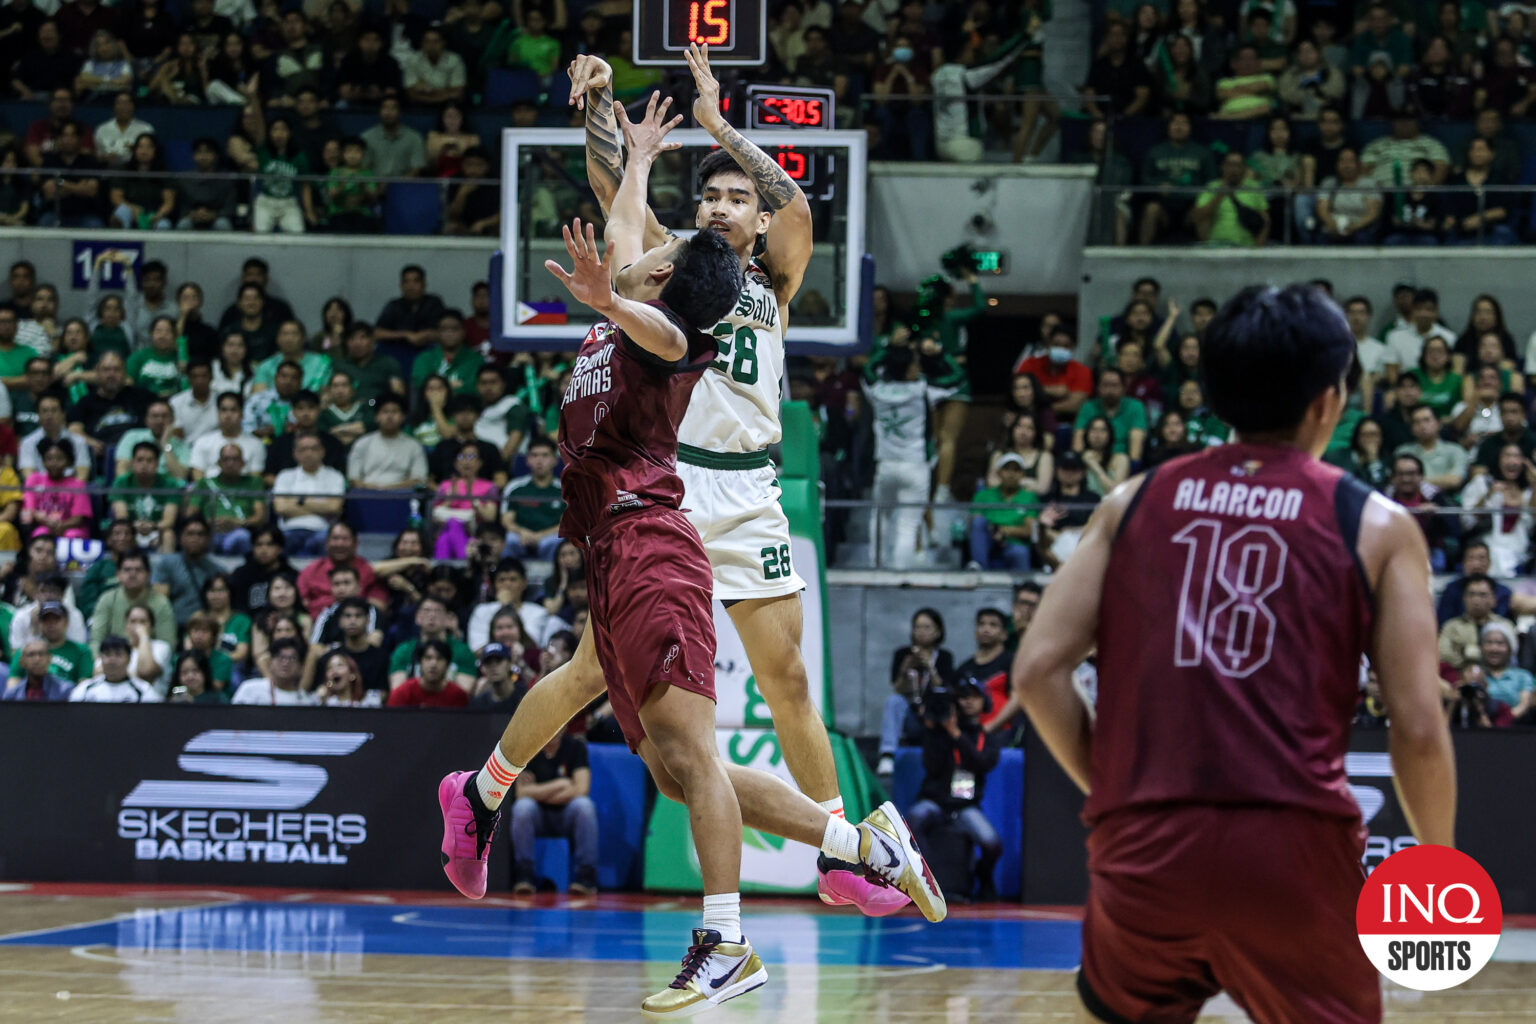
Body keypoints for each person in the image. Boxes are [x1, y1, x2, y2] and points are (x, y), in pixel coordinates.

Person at [437, 79, 941, 1020]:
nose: (717, 204)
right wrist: (609, 122)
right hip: (662, 478)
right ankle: (487, 791)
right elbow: (612, 190)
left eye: (731, 195)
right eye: (707, 193)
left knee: (784, 682)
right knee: (604, 684)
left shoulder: (767, 278)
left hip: (740, 488)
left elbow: (791, 208)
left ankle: (837, 853)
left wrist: (715, 124)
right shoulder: (670, 265)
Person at [1014, 283, 1454, 1024]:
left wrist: (1116, 788)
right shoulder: (1376, 524)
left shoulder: (1134, 501)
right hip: (1292, 852)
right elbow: (1416, 726)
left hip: (1143, 850)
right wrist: (1435, 863)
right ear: (1327, 401)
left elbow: (1035, 672)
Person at [907, 678, 1003, 902]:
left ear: (984, 701)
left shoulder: (985, 738)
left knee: (992, 842)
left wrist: (956, 734)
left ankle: (984, 875)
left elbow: (981, 763)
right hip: (935, 802)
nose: (968, 701)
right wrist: (933, 731)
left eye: (974, 696)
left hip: (965, 806)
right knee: (915, 817)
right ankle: (924, 879)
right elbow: (931, 766)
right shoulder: (937, 733)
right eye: (962, 696)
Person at [510, 722, 599, 894]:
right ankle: (524, 875)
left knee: (585, 807)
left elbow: (582, 789)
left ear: (565, 726)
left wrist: (537, 791)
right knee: (522, 808)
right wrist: (561, 784)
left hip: (566, 814)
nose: (555, 730)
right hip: (538, 815)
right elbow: (521, 793)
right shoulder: (528, 749)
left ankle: (586, 877)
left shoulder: (576, 747)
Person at [877, 607, 954, 779]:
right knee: (894, 701)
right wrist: (905, 669)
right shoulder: (902, 654)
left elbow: (943, 689)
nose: (921, 632)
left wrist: (930, 667)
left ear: (938, 631)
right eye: (917, 627)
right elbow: (897, 688)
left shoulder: (944, 657)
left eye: (927, 627)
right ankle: (887, 755)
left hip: (933, 715)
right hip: (910, 714)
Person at [89, 549, 176, 653]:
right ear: (118, 575)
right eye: (127, 570)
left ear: (149, 575)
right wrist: (99, 663)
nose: (132, 574)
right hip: (113, 660)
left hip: (149, 660)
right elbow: (96, 640)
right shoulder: (107, 599)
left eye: (138, 570)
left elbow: (167, 644)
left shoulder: (161, 603)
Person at [271, 434, 345, 555]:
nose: (309, 453)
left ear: (322, 452)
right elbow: (280, 508)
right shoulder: (284, 476)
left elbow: (334, 508)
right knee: (276, 543)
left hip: (322, 530)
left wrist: (299, 502)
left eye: (314, 449)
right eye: (303, 449)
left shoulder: (335, 477)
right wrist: (320, 507)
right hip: (289, 530)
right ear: (295, 453)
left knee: (328, 541)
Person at [185, 444, 265, 554]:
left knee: (242, 537)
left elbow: (260, 516)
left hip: (240, 530)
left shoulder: (253, 482)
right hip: (209, 531)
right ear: (219, 463)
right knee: (197, 538)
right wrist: (208, 523)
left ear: (243, 463)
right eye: (226, 459)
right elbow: (191, 513)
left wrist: (238, 523)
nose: (230, 463)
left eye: (235, 459)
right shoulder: (205, 483)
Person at [966, 453, 1038, 571]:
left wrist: (1003, 532)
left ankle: (1025, 587)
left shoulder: (1029, 497)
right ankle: (978, 570)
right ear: (999, 472)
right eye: (1007, 469)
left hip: (1014, 543)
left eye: (1016, 470)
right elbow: (974, 524)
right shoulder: (982, 496)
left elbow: (1030, 530)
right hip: (988, 541)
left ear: (1022, 474)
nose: (1011, 474)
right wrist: (994, 533)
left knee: (1020, 552)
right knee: (978, 522)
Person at [501, 436, 565, 560]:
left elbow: (565, 525)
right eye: (534, 455)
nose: (539, 460)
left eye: (545, 455)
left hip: (550, 537)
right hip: (521, 535)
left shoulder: (565, 489)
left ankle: (553, 577)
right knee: (510, 539)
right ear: (527, 460)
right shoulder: (514, 487)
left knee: (558, 542)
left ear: (555, 460)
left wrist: (540, 536)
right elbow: (507, 521)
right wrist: (523, 532)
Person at [1438, 574, 1515, 671]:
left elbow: (1511, 654)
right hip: (1460, 676)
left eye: (1482, 595)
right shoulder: (1451, 626)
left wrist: (1468, 653)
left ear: (1493, 599)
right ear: (1464, 598)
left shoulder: (1505, 625)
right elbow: (1444, 655)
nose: (1476, 600)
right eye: (1471, 594)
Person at [152, 515, 221, 622]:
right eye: (190, 533)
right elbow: (160, 604)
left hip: (205, 628)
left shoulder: (217, 571)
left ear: (208, 539)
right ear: (181, 538)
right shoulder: (167, 564)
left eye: (200, 534)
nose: (195, 538)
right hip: (175, 626)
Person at [69, 635, 161, 702]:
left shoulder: (144, 691)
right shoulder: (85, 690)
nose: (112, 660)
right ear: (100, 658)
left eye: (118, 654)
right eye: (107, 654)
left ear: (129, 659)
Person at [231, 635, 316, 705]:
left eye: (292, 658)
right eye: (280, 657)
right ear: (271, 662)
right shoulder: (250, 688)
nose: (285, 663)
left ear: (301, 667)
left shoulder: (306, 702)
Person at [1, 637, 74, 701]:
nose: (37, 659)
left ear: (49, 659)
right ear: (22, 662)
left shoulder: (65, 691)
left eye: (41, 654)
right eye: (31, 654)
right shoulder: (12, 695)